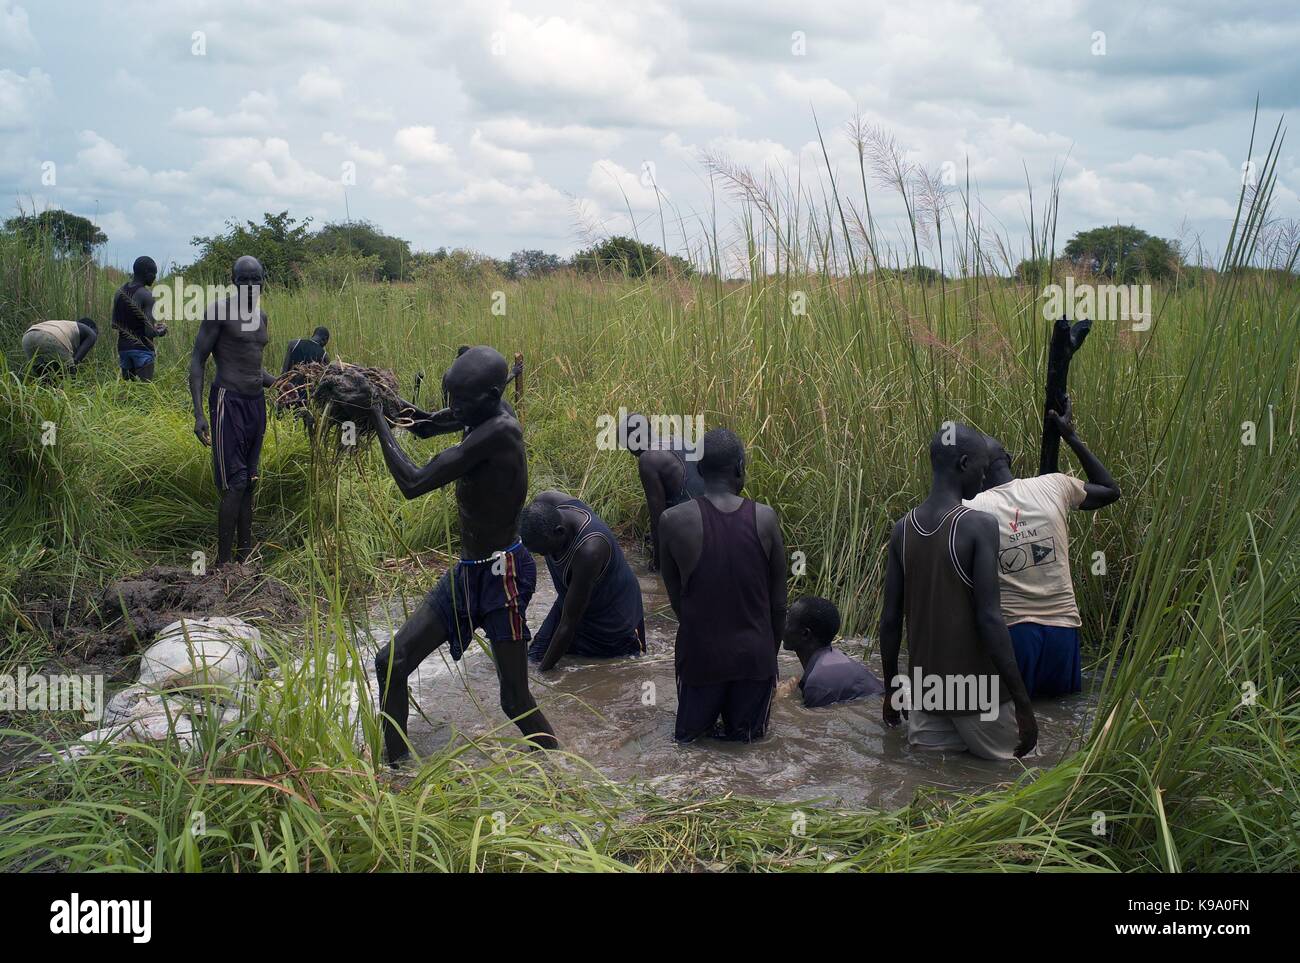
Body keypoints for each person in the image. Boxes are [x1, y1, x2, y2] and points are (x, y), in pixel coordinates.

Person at [369, 345, 557, 763]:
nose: (452, 408)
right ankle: (396, 776)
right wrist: (384, 399)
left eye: (459, 401)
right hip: (470, 572)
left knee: (514, 700)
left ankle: (560, 775)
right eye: (448, 395)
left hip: (501, 574)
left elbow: (414, 483)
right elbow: (425, 424)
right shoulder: (478, 409)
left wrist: (376, 420)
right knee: (390, 664)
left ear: (490, 397)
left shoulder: (499, 431)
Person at [878, 422, 1038, 760]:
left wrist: (891, 688)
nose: (984, 479)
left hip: (927, 695)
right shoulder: (979, 525)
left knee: (936, 797)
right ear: (964, 464)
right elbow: (990, 619)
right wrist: (1023, 703)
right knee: (1019, 783)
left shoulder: (902, 530)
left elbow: (890, 620)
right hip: (979, 696)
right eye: (981, 469)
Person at [966, 399, 1121, 698]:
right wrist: (1071, 437)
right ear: (1009, 459)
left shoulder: (971, 509)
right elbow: (1110, 490)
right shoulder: (1054, 485)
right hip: (1064, 628)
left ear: (976, 472)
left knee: (1017, 723)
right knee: (1061, 719)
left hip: (1016, 634)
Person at [659, 428, 786, 743]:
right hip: (754, 660)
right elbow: (779, 604)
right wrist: (769, 657)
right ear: (741, 467)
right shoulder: (766, 519)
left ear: (699, 470)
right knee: (747, 748)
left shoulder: (672, 521)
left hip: (701, 658)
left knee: (691, 748)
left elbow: (677, 596)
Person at [189, 255, 275, 568]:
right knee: (234, 483)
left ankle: (244, 557)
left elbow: (255, 367)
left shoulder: (261, 316)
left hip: (256, 403)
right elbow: (198, 360)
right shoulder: (219, 312)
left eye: (256, 280)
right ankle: (223, 566)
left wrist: (284, 383)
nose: (251, 286)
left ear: (263, 281)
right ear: (234, 281)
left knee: (250, 481)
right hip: (228, 401)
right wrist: (199, 414)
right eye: (245, 280)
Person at [519, 490, 646, 670]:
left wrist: (542, 676)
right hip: (571, 601)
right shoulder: (544, 503)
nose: (543, 555)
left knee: (599, 671)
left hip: (611, 622)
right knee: (533, 657)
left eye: (544, 550)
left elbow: (568, 623)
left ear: (560, 532)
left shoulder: (590, 550)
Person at [621, 412, 706, 571]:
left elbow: (658, 517)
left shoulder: (648, 459)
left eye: (627, 445)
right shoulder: (677, 440)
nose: (630, 452)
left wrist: (658, 565)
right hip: (710, 518)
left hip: (691, 528)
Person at [781, 596, 884, 708]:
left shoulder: (817, 683)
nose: (782, 626)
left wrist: (779, 700)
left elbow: (812, 721)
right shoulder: (833, 658)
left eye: (787, 621)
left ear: (805, 634)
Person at [112, 256, 167, 381]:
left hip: (123, 348)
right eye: (153, 274)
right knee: (145, 392)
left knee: (129, 392)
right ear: (146, 273)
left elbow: (115, 324)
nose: (154, 277)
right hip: (143, 349)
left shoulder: (119, 292)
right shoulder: (147, 296)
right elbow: (148, 332)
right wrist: (160, 330)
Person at [21, 318, 98, 377]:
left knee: (44, 379)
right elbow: (75, 361)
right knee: (70, 379)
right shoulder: (91, 333)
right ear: (90, 327)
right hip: (51, 336)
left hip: (28, 337)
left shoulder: (66, 325)